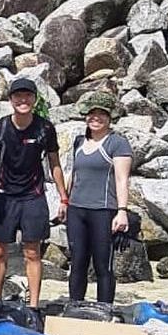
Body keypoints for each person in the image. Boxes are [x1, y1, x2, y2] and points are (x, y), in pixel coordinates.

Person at [0, 77, 66, 308]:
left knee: (32, 253)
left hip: (34, 196)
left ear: (34, 99)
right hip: (4, 196)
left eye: (28, 96)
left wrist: (63, 198)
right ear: (10, 100)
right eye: (18, 96)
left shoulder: (45, 128)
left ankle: (33, 305)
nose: (23, 100)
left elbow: (55, 163)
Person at [63, 92, 134, 304]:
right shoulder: (79, 142)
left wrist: (122, 212)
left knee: (103, 265)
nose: (96, 118)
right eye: (92, 114)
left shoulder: (117, 143)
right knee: (78, 262)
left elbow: (122, 179)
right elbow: (72, 173)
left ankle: (105, 308)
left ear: (109, 117)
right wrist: (64, 201)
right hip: (76, 209)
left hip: (103, 211)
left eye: (101, 114)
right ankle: (75, 305)